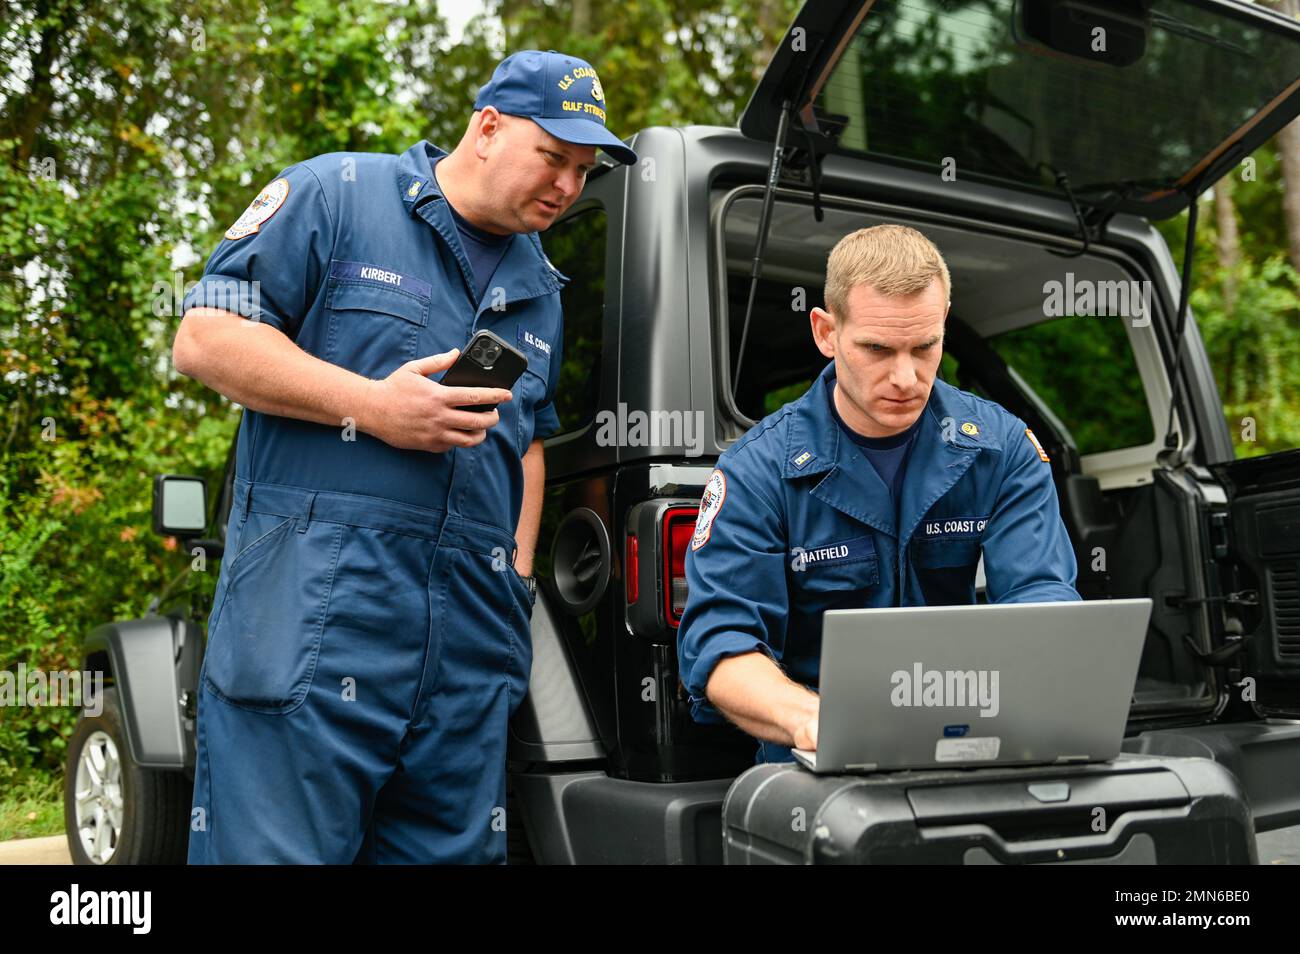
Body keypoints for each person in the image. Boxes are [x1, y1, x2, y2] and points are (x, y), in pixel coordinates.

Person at [172, 50, 636, 863]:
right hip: (311, 636)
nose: (568, 186)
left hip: (467, 660)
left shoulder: (541, 287)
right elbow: (206, 339)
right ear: (487, 129)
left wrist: (513, 576)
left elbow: (525, 439)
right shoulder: (336, 196)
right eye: (553, 158)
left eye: (584, 169)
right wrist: (375, 408)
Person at [677, 224, 1079, 764]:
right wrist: (814, 718)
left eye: (925, 346)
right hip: (817, 758)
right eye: (877, 348)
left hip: (970, 738)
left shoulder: (1000, 448)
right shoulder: (758, 470)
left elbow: (1042, 600)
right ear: (826, 332)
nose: (907, 377)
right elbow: (724, 646)